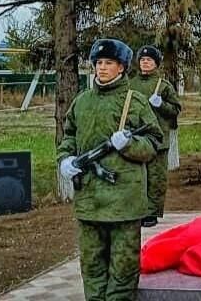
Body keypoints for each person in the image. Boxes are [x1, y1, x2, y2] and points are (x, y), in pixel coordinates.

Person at [58, 38, 162, 301]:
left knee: (123, 268)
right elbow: (68, 135)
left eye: (109, 63)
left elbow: (153, 143)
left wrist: (128, 144)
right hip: (90, 201)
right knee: (92, 266)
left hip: (124, 202)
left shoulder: (134, 102)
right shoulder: (81, 102)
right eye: (98, 63)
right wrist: (65, 160)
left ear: (122, 68)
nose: (102, 68)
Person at [129, 44, 181, 227]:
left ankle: (151, 213)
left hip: (157, 138)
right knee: (136, 177)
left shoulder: (163, 86)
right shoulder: (130, 84)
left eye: (149, 60)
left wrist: (161, 104)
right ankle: (137, 211)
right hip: (135, 138)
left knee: (155, 178)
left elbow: (176, 109)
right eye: (142, 60)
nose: (145, 63)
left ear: (156, 63)